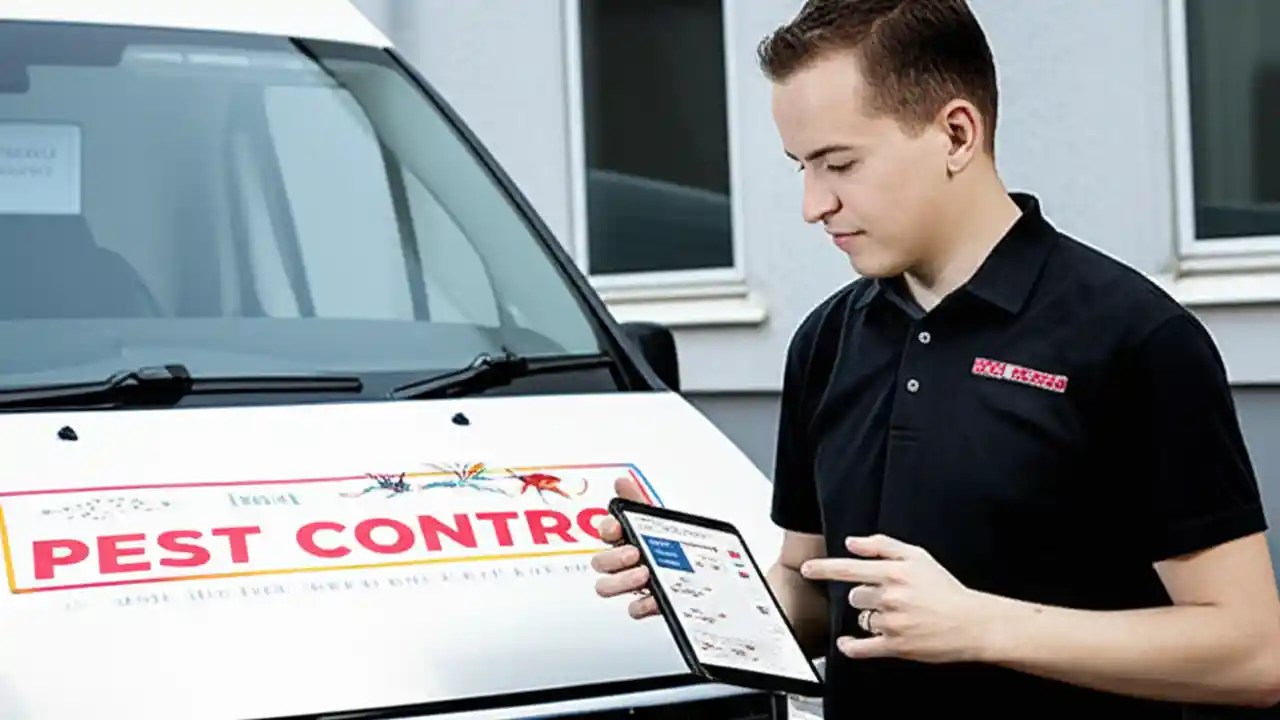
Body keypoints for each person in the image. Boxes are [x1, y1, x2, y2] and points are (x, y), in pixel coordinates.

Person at [590, 0, 1280, 716]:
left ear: (956, 133)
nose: (812, 205)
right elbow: (813, 591)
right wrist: (697, 589)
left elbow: (1253, 653)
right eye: (801, 166)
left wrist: (982, 626)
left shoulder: (1134, 339)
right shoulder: (825, 343)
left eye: (840, 164)